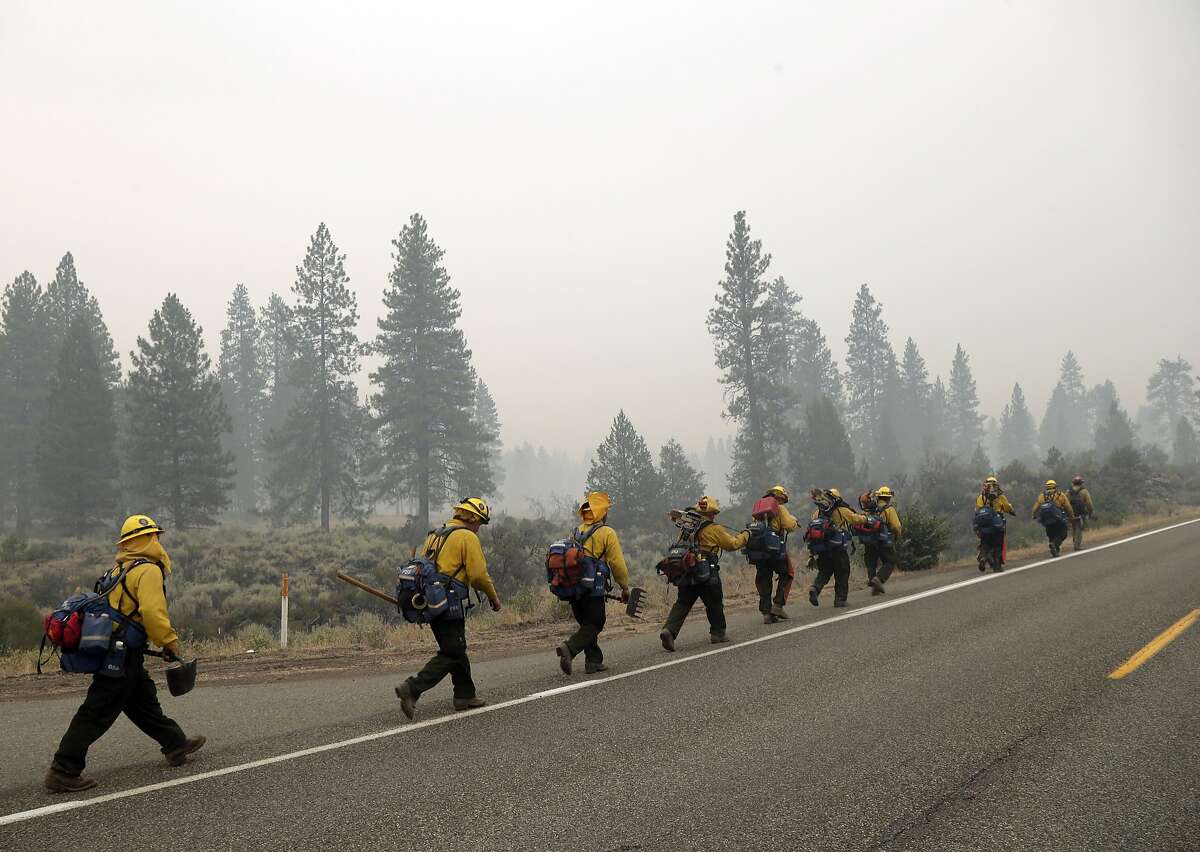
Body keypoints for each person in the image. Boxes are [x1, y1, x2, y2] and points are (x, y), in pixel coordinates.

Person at [45, 515, 205, 794]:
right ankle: (63, 769)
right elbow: (153, 614)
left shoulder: (118, 569)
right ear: (148, 539)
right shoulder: (148, 571)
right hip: (120, 654)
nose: (158, 541)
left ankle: (175, 743)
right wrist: (169, 643)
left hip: (116, 649)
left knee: (142, 700)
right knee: (97, 710)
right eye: (155, 536)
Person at [395, 498, 502, 720]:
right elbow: (478, 575)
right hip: (450, 602)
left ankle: (465, 695)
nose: (479, 528)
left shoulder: (435, 534)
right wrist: (493, 598)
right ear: (472, 519)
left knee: (456, 647)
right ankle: (412, 688)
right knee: (452, 651)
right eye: (479, 523)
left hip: (431, 602)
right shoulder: (467, 537)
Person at [555, 491, 631, 675]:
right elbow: (617, 563)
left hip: (573, 585)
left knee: (587, 624)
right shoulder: (607, 532)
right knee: (596, 622)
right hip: (593, 587)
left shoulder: (576, 531)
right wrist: (625, 586)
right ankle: (570, 648)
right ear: (602, 512)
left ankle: (594, 662)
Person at [659, 496, 748, 650]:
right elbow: (732, 544)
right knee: (714, 601)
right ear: (712, 513)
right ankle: (718, 633)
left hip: (687, 571)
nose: (714, 516)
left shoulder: (686, 529)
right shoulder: (714, 529)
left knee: (683, 603)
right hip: (707, 570)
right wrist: (746, 535)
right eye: (714, 513)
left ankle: (669, 631)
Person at [806, 489, 867, 608]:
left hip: (822, 549)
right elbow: (855, 519)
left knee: (824, 572)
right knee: (842, 572)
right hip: (838, 548)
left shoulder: (816, 513)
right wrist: (865, 518)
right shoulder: (841, 510)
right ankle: (840, 600)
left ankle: (815, 588)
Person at [754, 485, 799, 623]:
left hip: (760, 550)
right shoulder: (780, 508)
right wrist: (795, 521)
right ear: (780, 497)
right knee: (787, 573)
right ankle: (778, 605)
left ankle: (766, 612)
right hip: (776, 549)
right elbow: (789, 526)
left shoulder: (759, 508)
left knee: (764, 579)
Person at [864, 486, 903, 595]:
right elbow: (896, 526)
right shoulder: (889, 509)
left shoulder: (871, 508)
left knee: (871, 561)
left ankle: (874, 584)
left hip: (870, 541)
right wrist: (897, 535)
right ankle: (879, 579)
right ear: (888, 497)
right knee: (889, 561)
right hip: (884, 540)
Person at [974, 476, 1016, 571]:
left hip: (983, 524)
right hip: (997, 523)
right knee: (998, 544)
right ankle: (997, 565)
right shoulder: (1000, 497)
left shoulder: (980, 497)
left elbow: (977, 510)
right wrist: (1012, 511)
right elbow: (1007, 508)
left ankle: (983, 557)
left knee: (985, 542)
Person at [1032, 480, 1075, 557]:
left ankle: (1055, 550)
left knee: (1051, 535)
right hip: (1058, 519)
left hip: (1046, 520)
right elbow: (1068, 507)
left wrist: (1034, 516)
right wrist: (1071, 516)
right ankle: (1054, 545)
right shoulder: (1060, 495)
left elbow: (1035, 508)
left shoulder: (1042, 496)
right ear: (1055, 487)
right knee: (1063, 533)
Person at [1067, 475, 1095, 551]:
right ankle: (1077, 545)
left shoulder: (1068, 491)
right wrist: (1091, 512)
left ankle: (1075, 543)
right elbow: (1089, 503)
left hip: (1071, 513)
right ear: (1081, 483)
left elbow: (1065, 502)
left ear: (1073, 483)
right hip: (1080, 513)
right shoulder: (1084, 491)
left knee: (1074, 528)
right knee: (1079, 528)